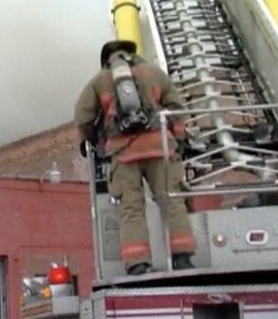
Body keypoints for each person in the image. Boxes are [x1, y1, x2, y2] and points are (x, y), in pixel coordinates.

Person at [75, 39, 196, 275]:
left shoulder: (100, 80)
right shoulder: (154, 73)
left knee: (131, 208)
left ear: (106, 58)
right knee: (172, 201)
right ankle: (182, 258)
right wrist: (179, 139)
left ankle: (137, 263)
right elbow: (176, 108)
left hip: (123, 154)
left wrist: (90, 140)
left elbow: (82, 115)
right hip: (159, 148)